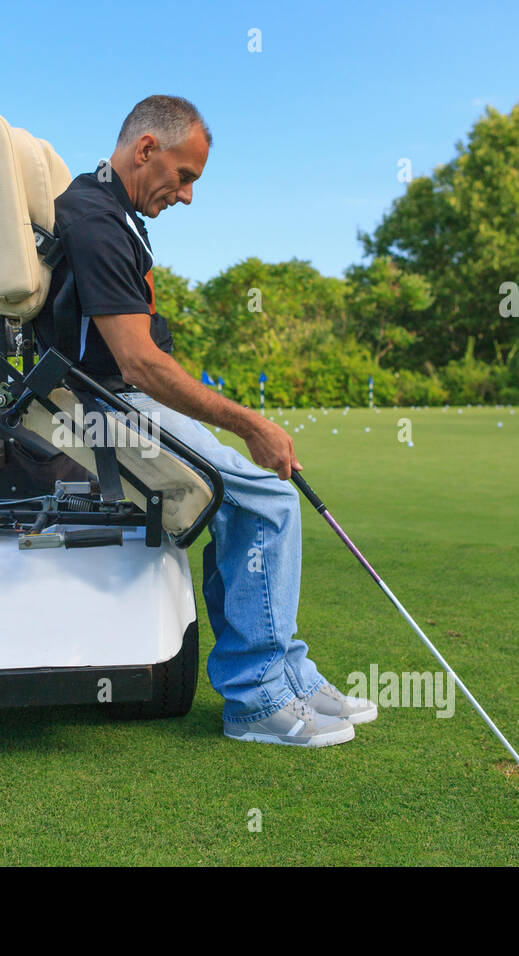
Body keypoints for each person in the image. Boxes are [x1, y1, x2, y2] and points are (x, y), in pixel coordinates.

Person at [33, 95, 377, 747]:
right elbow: (138, 363)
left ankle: (287, 677)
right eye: (184, 175)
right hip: (102, 413)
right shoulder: (96, 220)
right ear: (145, 151)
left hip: (112, 403)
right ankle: (258, 702)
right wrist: (249, 423)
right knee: (272, 501)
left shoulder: (112, 211)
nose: (187, 195)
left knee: (254, 502)